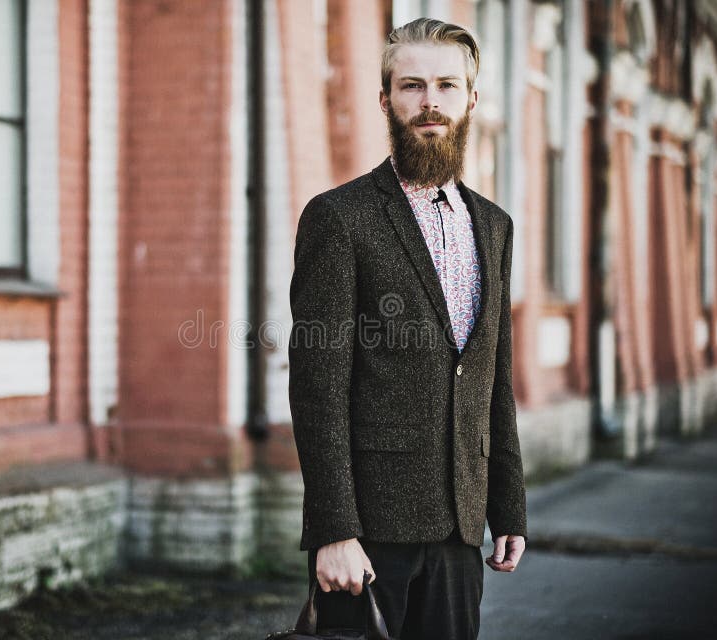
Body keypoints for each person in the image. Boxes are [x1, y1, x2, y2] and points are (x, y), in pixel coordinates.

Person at [288, 17, 527, 640]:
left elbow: (493, 378)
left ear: (471, 99)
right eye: (412, 86)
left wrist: (508, 508)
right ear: (385, 99)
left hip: (460, 530)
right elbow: (318, 388)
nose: (430, 103)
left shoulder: (495, 227)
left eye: (447, 86)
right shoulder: (340, 217)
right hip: (369, 535)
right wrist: (333, 530)